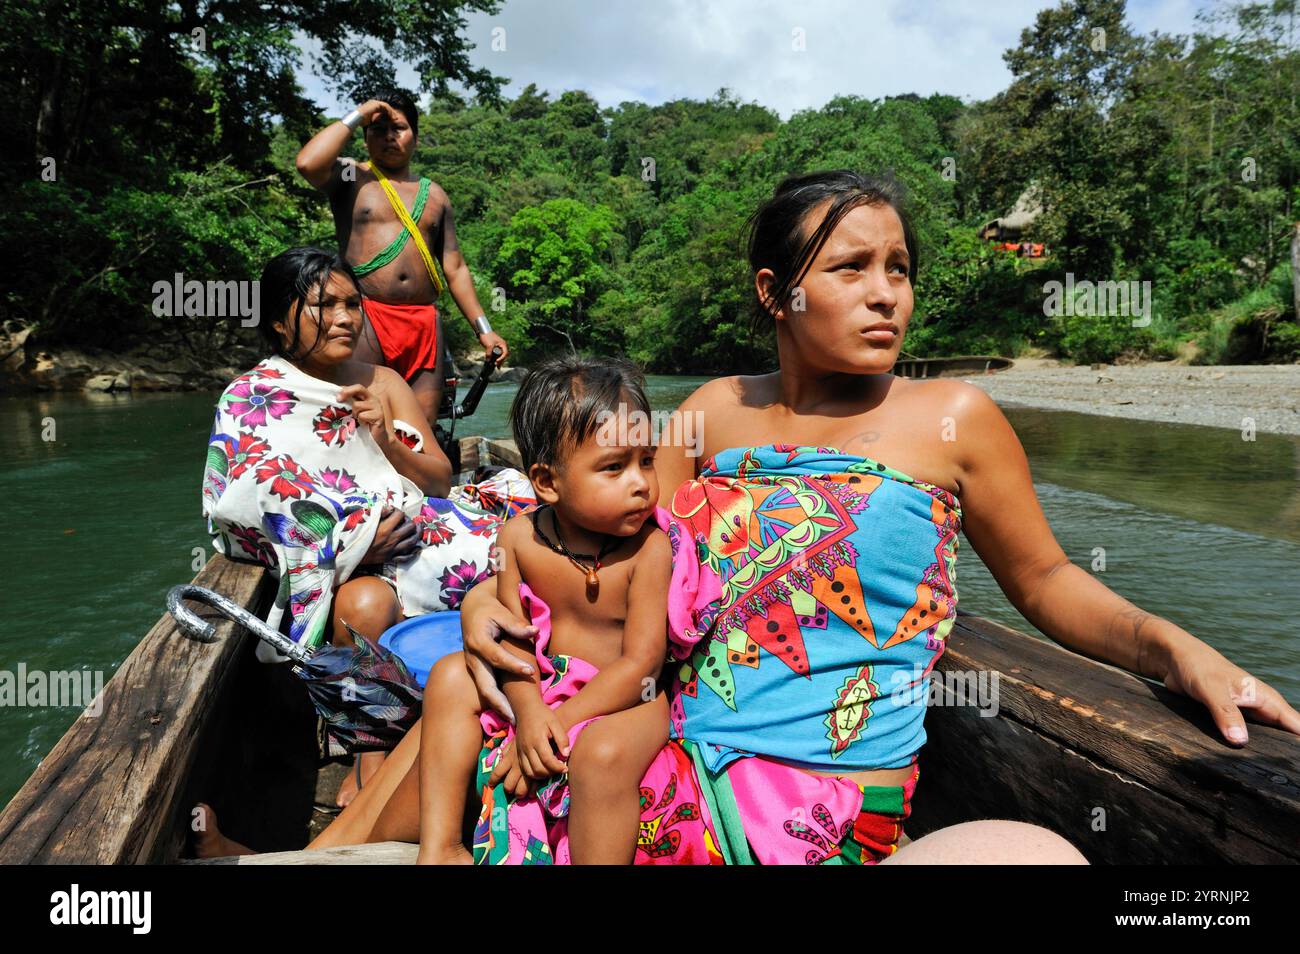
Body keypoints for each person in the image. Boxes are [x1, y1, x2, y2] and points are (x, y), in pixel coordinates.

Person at [208, 170, 1300, 863]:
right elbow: (609, 539)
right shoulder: (713, 415)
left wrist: (1171, 647)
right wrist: (501, 595)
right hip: (667, 736)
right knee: (484, 695)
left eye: (901, 271)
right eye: (852, 269)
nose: (888, 294)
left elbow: (1048, 582)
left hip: (814, 778)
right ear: (777, 294)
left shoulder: (951, 417)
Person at [201, 246, 533, 810]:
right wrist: (351, 541)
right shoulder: (251, 396)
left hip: (412, 536)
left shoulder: (382, 382)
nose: (345, 317)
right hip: (340, 562)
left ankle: (380, 770)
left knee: (506, 547)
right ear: (280, 321)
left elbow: (437, 479)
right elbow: (243, 500)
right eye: (323, 304)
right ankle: (369, 762)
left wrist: (383, 438)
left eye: (352, 303)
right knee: (359, 604)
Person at [418, 356, 671, 864]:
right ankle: (440, 847)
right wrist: (531, 712)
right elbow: (511, 637)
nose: (641, 482)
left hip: (626, 701)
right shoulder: (518, 536)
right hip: (543, 685)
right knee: (449, 676)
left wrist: (562, 720)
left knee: (601, 754)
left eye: (647, 460)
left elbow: (641, 665)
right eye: (614, 467)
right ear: (548, 482)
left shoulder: (650, 550)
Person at [295, 88, 509, 426]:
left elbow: (454, 268)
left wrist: (485, 331)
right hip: (367, 316)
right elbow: (307, 163)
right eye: (378, 129)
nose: (389, 137)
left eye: (400, 128)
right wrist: (359, 114)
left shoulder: (435, 195)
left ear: (416, 137)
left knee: (419, 429)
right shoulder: (352, 177)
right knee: (363, 422)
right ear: (364, 138)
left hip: (424, 323)